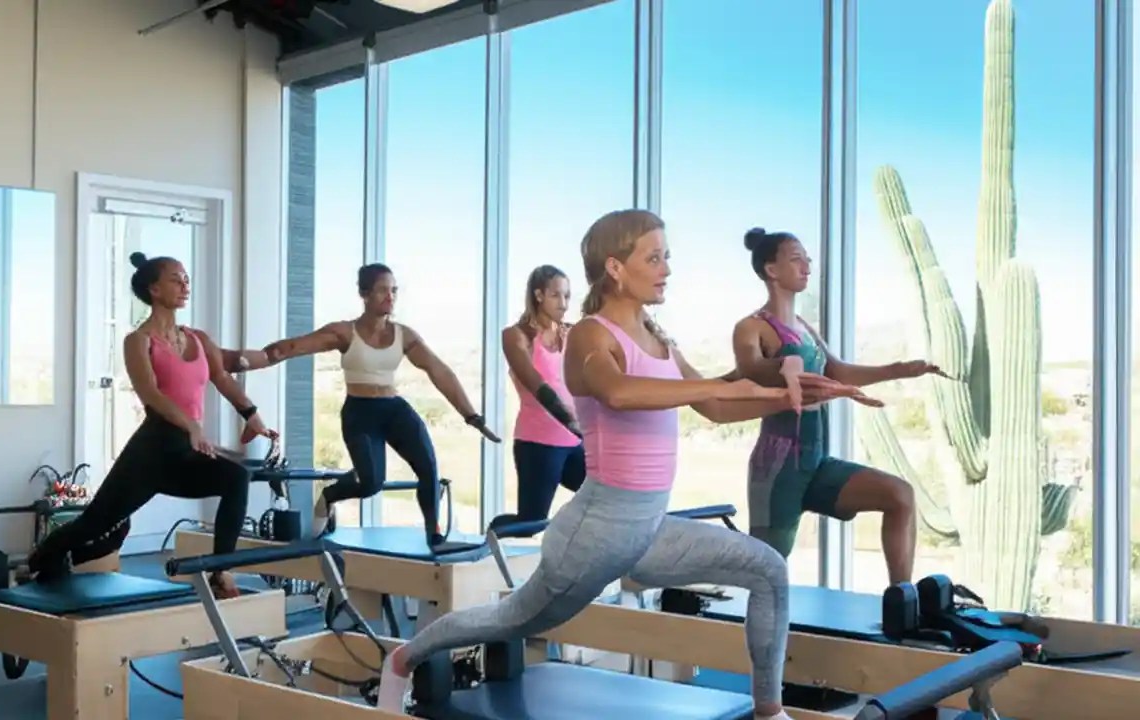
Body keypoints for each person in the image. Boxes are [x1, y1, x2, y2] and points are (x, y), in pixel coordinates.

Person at [374, 210, 871, 719]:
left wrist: (795, 399)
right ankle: (403, 659)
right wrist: (725, 384)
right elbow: (617, 390)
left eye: (667, 257)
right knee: (512, 618)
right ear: (614, 267)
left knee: (768, 571)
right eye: (653, 258)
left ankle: (770, 713)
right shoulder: (591, 335)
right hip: (596, 532)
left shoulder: (660, 340)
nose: (666, 269)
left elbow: (717, 408)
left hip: (650, 528)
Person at [26, 252, 276, 599]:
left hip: (185, 452)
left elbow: (221, 376)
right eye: (176, 278)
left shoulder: (198, 339)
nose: (185, 284)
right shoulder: (138, 341)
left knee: (236, 478)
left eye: (186, 278)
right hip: (152, 450)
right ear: (154, 290)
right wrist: (191, 425)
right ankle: (39, 559)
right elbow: (150, 393)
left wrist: (252, 415)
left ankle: (221, 569)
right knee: (96, 525)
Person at [227, 263, 500, 546]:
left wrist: (472, 416)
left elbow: (440, 371)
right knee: (370, 483)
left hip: (393, 410)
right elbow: (290, 348)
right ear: (365, 294)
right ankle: (329, 496)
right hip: (360, 412)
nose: (390, 296)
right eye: (383, 290)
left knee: (428, 467)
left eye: (394, 290)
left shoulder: (404, 335)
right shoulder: (345, 332)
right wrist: (244, 360)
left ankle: (434, 535)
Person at [733, 227, 937, 585]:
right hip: (779, 468)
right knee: (765, 569)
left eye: (807, 259)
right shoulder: (752, 327)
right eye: (796, 259)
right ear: (771, 269)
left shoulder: (805, 328)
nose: (807, 266)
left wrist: (900, 369)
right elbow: (749, 369)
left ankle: (902, 603)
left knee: (899, 495)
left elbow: (838, 370)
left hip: (816, 462)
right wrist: (785, 367)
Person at [492, 264, 585, 526]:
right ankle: (489, 542)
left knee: (607, 500)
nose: (564, 303)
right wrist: (575, 425)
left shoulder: (573, 333)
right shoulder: (516, 336)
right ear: (539, 295)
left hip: (574, 443)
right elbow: (538, 386)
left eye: (567, 296)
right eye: (556, 295)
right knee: (530, 522)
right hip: (538, 443)